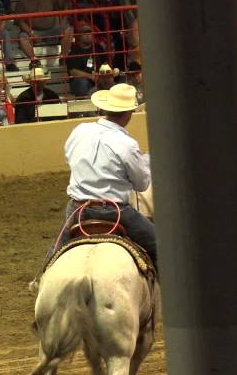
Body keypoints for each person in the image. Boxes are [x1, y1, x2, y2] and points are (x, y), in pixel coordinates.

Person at [37, 82, 156, 287]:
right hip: (116, 211)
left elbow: (70, 158)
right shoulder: (127, 144)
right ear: (129, 113)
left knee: (55, 253)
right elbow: (142, 183)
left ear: (104, 108)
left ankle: (40, 282)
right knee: (160, 245)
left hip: (78, 209)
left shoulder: (79, 131)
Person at [13, 0, 73, 67]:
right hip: (35, 32)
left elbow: (66, 4)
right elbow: (20, 22)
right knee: (22, 37)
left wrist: (63, 21)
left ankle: (64, 57)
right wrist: (31, 33)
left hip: (54, 29)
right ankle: (34, 60)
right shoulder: (22, 2)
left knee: (69, 29)